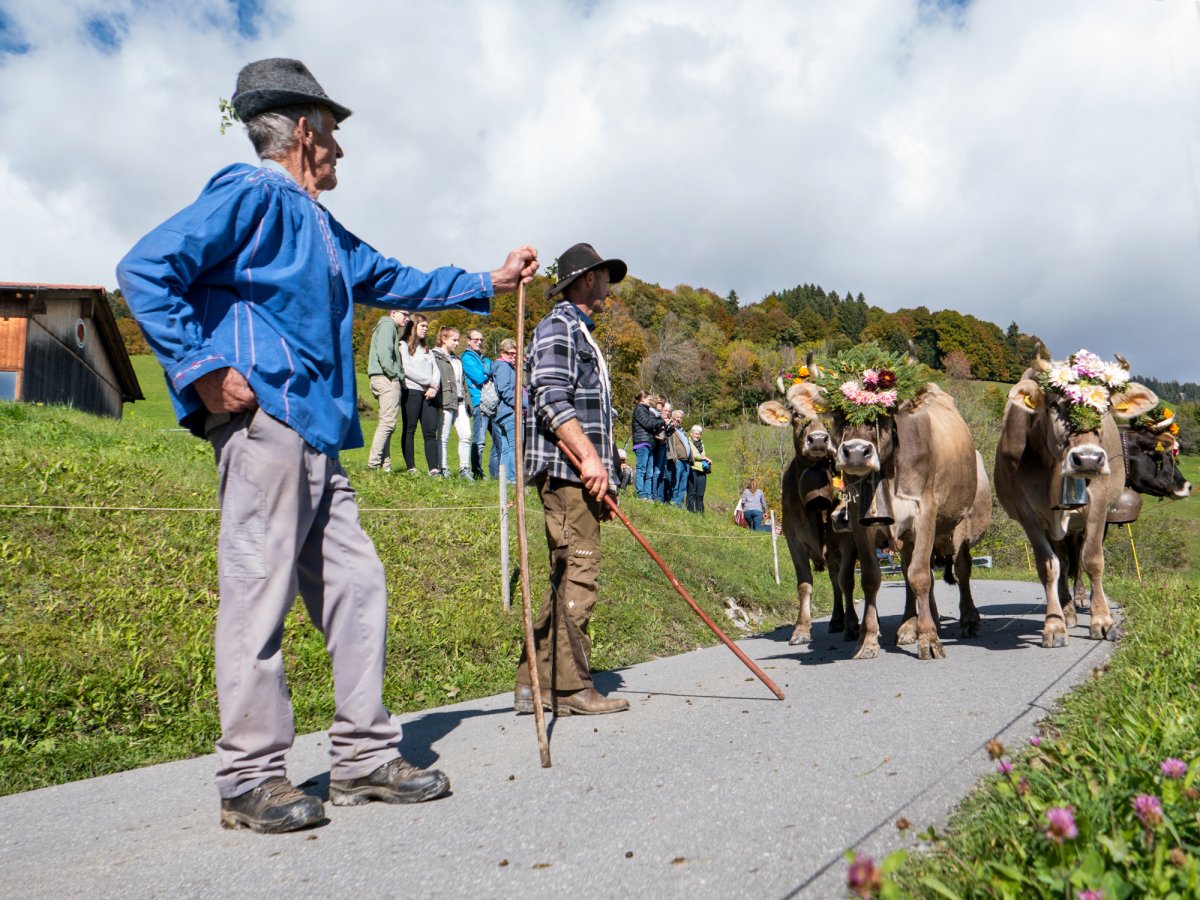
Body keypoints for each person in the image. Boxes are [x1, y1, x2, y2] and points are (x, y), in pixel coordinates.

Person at [116, 57, 538, 833]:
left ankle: (363, 758)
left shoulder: (318, 223)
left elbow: (394, 277)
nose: (341, 149)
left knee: (358, 583)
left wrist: (491, 280)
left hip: (317, 434)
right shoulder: (251, 196)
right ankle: (249, 778)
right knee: (259, 593)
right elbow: (145, 269)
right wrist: (202, 369)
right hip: (266, 423)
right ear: (306, 130)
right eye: (334, 133)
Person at [515, 242, 630, 716]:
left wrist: (607, 471)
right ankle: (570, 688)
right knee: (579, 573)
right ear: (586, 279)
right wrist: (589, 460)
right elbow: (549, 396)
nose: (608, 286)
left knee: (564, 574)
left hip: (580, 475)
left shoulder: (579, 332)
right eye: (604, 276)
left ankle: (535, 683)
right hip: (567, 473)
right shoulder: (559, 327)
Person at [366, 308, 408, 472]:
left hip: (381, 378)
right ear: (393, 313)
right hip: (386, 378)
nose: (407, 318)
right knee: (388, 423)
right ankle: (373, 464)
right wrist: (396, 375)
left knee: (387, 423)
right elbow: (385, 354)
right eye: (404, 314)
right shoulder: (388, 326)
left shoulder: (388, 326)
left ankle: (385, 466)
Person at [399, 314, 441, 475]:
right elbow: (406, 369)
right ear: (413, 326)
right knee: (410, 429)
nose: (426, 329)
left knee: (430, 431)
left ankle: (433, 469)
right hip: (411, 391)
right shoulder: (403, 345)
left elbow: (436, 370)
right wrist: (429, 382)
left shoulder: (427, 350)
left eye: (427, 326)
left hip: (429, 394)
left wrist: (434, 388)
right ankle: (411, 467)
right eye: (422, 325)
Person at [432, 326, 470, 478]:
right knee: (443, 437)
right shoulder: (435, 356)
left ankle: (465, 469)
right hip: (445, 401)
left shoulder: (457, 359)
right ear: (443, 339)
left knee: (466, 435)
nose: (457, 343)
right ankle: (443, 469)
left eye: (458, 340)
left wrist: (467, 402)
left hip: (460, 402)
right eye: (454, 340)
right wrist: (438, 401)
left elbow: (463, 383)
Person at [460, 329, 491, 481]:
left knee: (498, 439)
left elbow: (494, 375)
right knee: (479, 440)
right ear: (468, 341)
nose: (479, 342)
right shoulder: (467, 358)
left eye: (481, 340)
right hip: (479, 402)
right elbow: (480, 378)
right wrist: (487, 376)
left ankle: (497, 473)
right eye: (475, 340)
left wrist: (487, 376)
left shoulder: (485, 359)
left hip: (492, 401)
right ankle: (477, 471)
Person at [489, 338, 519, 481]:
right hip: (509, 411)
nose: (513, 356)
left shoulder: (506, 366)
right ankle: (512, 478)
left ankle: (505, 480)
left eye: (515, 353)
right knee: (515, 447)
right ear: (502, 353)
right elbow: (505, 390)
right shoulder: (503, 366)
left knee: (506, 448)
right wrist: (520, 405)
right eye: (510, 353)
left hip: (504, 412)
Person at [631, 391, 663, 500]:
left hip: (649, 443)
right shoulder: (639, 410)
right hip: (642, 443)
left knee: (649, 472)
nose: (651, 401)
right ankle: (641, 494)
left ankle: (648, 495)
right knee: (642, 469)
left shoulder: (646, 411)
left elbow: (651, 425)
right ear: (642, 398)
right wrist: (661, 421)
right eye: (649, 399)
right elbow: (648, 424)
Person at [665, 408, 692, 507]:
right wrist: (674, 457)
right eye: (677, 417)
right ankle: (673, 502)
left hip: (686, 461)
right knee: (675, 482)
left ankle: (679, 503)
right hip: (678, 460)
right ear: (672, 418)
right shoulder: (672, 430)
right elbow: (671, 444)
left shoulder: (682, 431)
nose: (679, 419)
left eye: (680, 418)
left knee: (683, 485)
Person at [686, 424, 711, 513]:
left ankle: (700, 513)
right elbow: (692, 455)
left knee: (700, 494)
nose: (697, 436)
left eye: (699, 434)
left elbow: (703, 455)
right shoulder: (688, 443)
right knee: (691, 492)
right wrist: (703, 458)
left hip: (702, 470)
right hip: (692, 469)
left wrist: (707, 461)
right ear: (691, 433)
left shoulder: (701, 444)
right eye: (695, 434)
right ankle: (690, 511)